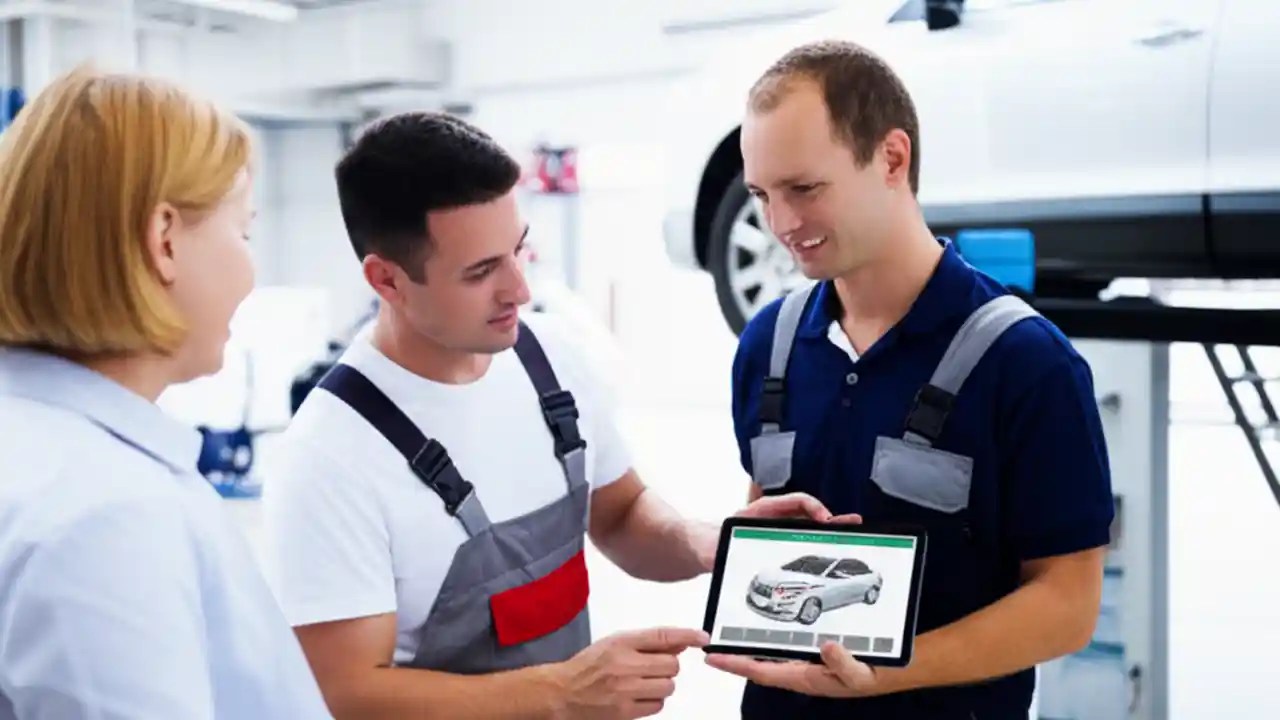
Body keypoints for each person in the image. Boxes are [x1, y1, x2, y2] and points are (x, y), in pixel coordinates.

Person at [260, 111, 851, 720]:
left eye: (517, 251)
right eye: (482, 271)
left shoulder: (549, 355)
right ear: (387, 280)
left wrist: (710, 544)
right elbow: (349, 694)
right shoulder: (329, 457)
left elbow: (620, 516)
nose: (518, 288)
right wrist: (560, 693)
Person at [703, 40, 1115, 719]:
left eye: (804, 189)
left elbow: (1068, 604)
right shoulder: (765, 345)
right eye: (761, 195)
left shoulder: (1027, 363)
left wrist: (887, 675)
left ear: (891, 158)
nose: (779, 224)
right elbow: (771, 513)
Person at [0, 66, 331, 718]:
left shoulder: (36, 449)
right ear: (165, 240)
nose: (249, 264)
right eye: (243, 230)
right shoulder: (104, 514)